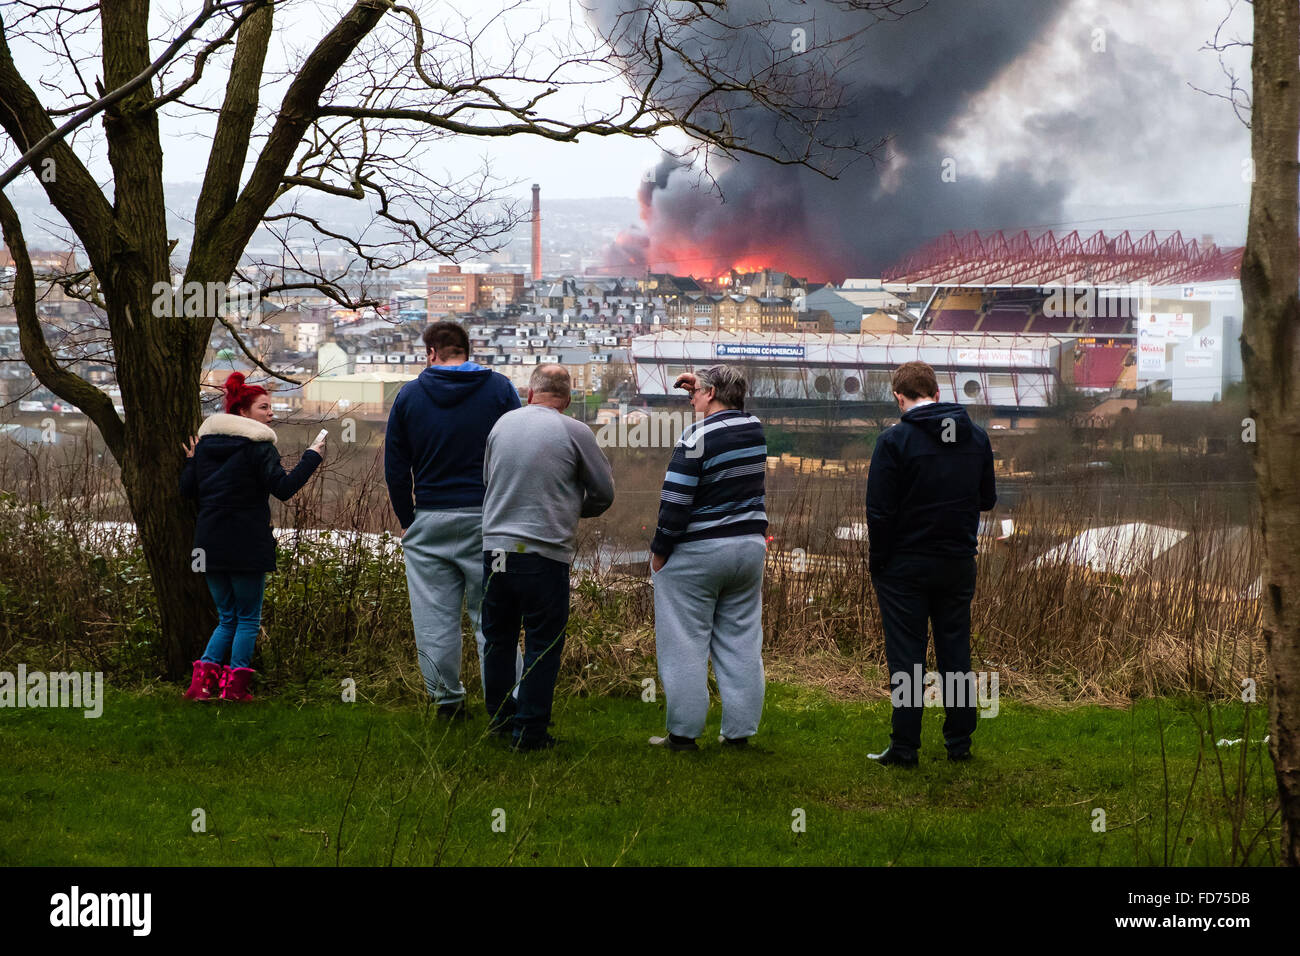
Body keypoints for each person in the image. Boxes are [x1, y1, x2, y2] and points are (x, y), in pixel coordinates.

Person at [384, 321, 522, 719]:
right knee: (494, 617)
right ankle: (505, 703)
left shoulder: (409, 395)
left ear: (431, 353)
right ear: (467, 348)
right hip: (489, 519)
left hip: (431, 518)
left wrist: (408, 518)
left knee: (434, 617)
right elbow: (515, 451)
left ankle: (447, 702)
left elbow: (396, 466)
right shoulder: (499, 389)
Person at [865, 361, 997, 767]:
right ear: (937, 394)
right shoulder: (976, 437)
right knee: (954, 649)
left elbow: (879, 513)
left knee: (907, 656)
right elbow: (987, 500)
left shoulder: (894, 442)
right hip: (957, 561)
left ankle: (905, 745)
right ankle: (960, 741)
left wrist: (880, 562)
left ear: (899, 397)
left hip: (905, 565)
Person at [480, 364, 615, 751]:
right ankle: (530, 732)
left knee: (498, 639)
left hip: (497, 550)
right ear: (568, 400)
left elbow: (489, 482)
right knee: (542, 642)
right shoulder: (575, 432)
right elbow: (603, 493)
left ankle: (500, 721)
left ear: (530, 393)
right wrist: (572, 510)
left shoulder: (501, 426)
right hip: (544, 553)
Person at [179, 372, 325, 702]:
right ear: (243, 413)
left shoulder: (204, 447)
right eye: (264, 407)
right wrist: (312, 456)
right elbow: (284, 489)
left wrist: (191, 462)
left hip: (208, 545)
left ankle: (201, 687)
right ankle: (235, 689)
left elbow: (186, 490)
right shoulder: (259, 448)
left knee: (227, 617)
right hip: (245, 542)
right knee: (247, 619)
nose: (271, 413)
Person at [648, 365, 768, 752]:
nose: (691, 399)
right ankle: (739, 733)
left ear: (712, 392)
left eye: (695, 394)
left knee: (684, 642)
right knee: (742, 641)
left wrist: (660, 550)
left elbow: (676, 501)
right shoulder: (754, 429)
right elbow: (729, 406)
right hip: (748, 549)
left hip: (699, 551)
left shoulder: (695, 437)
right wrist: (699, 380)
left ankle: (683, 735)